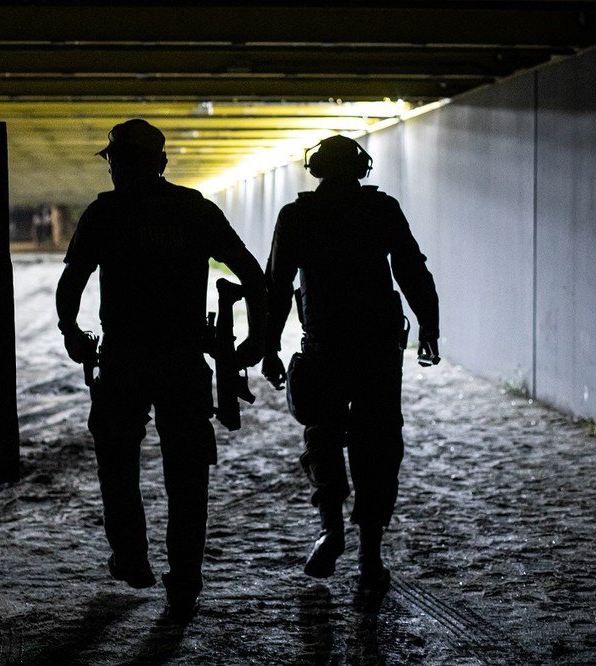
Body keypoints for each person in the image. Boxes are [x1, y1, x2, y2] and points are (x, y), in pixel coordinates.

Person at [56, 119, 266, 621]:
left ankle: (131, 557)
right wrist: (256, 340)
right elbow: (253, 275)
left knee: (117, 461)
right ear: (162, 163)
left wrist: (72, 332)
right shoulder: (195, 209)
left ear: (117, 164)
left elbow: (72, 282)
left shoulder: (106, 213)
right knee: (188, 474)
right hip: (181, 362)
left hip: (125, 360)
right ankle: (186, 579)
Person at [259, 135, 440, 594]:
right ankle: (370, 554)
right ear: (361, 167)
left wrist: (268, 347)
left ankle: (331, 530)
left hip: (324, 347)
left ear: (316, 169)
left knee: (322, 436)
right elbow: (411, 269)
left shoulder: (296, 215)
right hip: (377, 350)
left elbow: (277, 286)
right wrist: (429, 329)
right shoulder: (381, 210)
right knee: (377, 444)